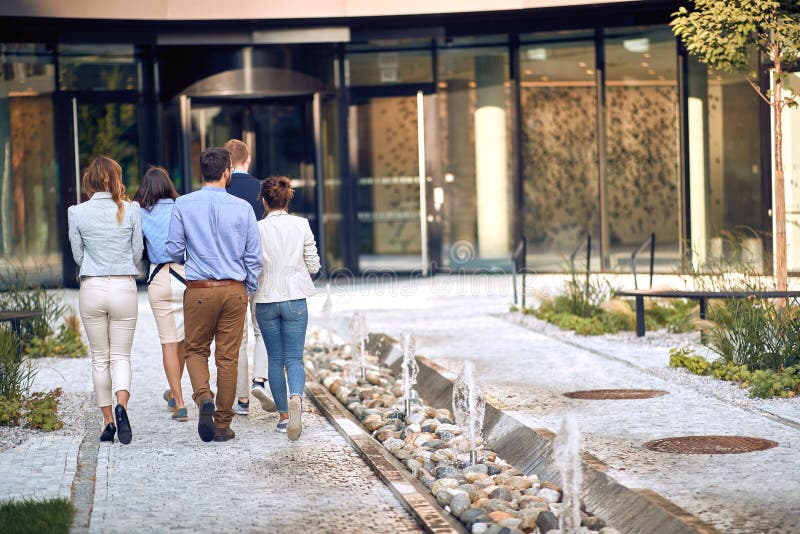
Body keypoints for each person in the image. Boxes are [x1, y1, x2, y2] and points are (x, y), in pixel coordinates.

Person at [166, 147, 262, 443]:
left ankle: (203, 396)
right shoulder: (243, 208)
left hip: (199, 290)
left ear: (203, 172)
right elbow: (254, 257)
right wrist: (248, 288)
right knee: (228, 358)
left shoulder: (183, 204)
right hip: (234, 289)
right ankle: (222, 425)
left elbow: (173, 249)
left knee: (196, 350)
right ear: (227, 172)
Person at [67, 156, 142, 445]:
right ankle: (122, 405)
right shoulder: (132, 210)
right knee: (121, 356)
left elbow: (78, 255)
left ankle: (108, 422)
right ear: (116, 178)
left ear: (89, 181)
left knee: (100, 359)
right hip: (123, 286)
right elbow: (137, 252)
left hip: (92, 287)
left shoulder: (76, 212)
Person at [254, 176, 320, 440]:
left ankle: (283, 417)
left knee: (274, 359)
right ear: (287, 198)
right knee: (294, 358)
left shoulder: (256, 228)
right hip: (295, 298)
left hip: (266, 298)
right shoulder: (301, 224)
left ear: (263, 200)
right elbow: (313, 264)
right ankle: (296, 398)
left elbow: (251, 263)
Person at [222, 139, 275, 416]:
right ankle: (259, 381)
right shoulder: (263, 189)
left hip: (231, 273)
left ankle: (241, 399)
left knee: (237, 338)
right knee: (261, 329)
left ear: (226, 162)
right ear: (248, 159)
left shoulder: (221, 190)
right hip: (260, 269)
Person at [133, 166, 188, 422]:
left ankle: (179, 402)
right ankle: (175, 393)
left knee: (168, 342)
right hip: (185, 278)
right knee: (183, 340)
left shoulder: (140, 212)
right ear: (168, 185)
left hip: (159, 278)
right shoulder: (181, 207)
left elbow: (137, 247)